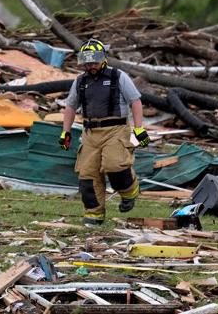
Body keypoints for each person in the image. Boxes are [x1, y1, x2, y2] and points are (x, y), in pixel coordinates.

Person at [60, 39, 151, 225]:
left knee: (115, 165)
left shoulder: (118, 77)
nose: (91, 66)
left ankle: (130, 192)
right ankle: (94, 215)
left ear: (103, 60)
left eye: (94, 62)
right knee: (87, 175)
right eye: (87, 63)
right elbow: (70, 107)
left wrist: (139, 129)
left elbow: (135, 101)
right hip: (90, 133)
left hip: (115, 130)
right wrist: (65, 132)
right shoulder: (80, 81)